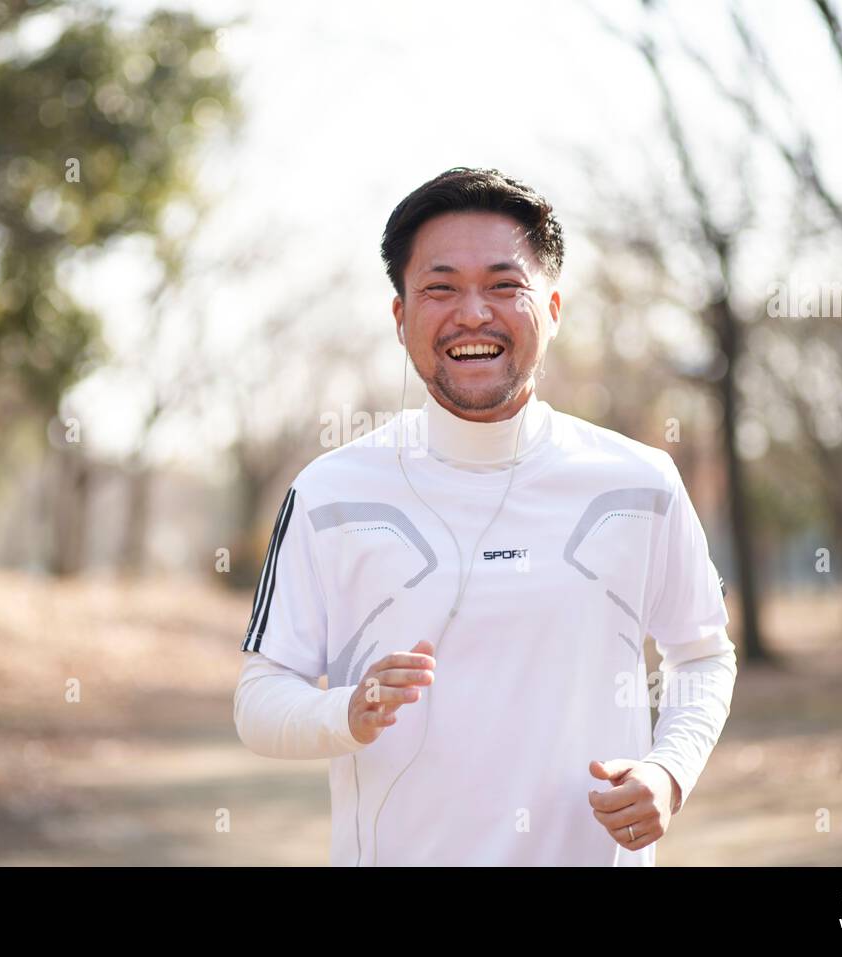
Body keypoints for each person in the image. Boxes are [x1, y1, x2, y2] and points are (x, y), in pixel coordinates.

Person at [233, 167, 737, 866]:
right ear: (401, 315)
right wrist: (345, 712)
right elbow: (259, 697)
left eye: (505, 285)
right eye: (440, 287)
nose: (472, 313)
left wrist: (669, 770)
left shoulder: (639, 481)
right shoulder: (328, 493)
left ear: (554, 308)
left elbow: (703, 654)